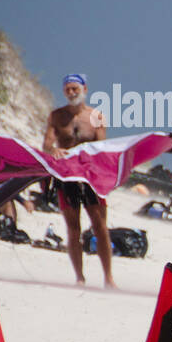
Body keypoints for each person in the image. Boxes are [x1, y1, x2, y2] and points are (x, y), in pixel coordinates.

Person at [42, 74, 115, 287]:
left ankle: (108, 278)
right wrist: (53, 150)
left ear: (84, 89)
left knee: (100, 226)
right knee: (73, 229)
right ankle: (80, 278)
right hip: (67, 177)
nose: (72, 93)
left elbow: (102, 146)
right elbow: (47, 144)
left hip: (91, 176)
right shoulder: (56, 116)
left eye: (75, 88)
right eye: (68, 89)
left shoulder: (96, 116)